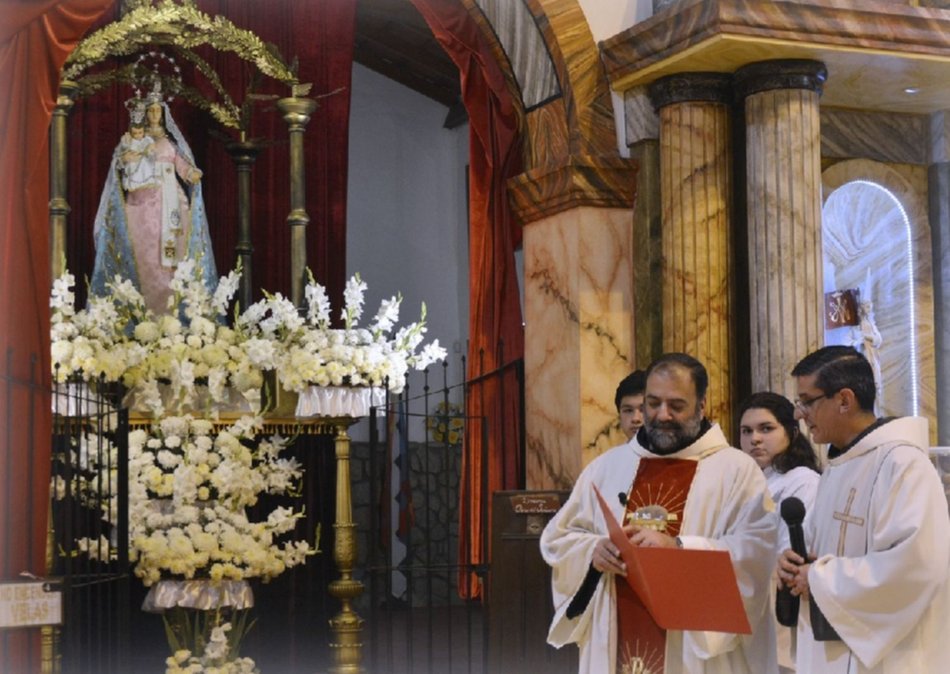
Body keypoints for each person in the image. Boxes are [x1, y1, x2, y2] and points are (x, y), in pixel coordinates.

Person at [541, 353, 777, 674]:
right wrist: (593, 552)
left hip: (694, 651)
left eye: (676, 406)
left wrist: (680, 548)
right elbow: (559, 540)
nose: (661, 415)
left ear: (701, 405)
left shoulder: (735, 470)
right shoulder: (608, 467)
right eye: (652, 403)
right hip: (618, 627)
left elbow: (757, 553)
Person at [778, 345, 950, 673]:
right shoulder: (840, 463)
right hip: (832, 649)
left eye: (807, 401)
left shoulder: (903, 463)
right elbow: (825, 552)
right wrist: (797, 563)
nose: (799, 414)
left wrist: (818, 577)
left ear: (844, 400)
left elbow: (917, 565)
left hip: (891, 657)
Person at [91, 81, 217, 314]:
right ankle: (141, 311)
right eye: (150, 110)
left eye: (158, 110)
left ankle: (173, 312)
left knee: (170, 254)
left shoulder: (171, 142)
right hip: (141, 201)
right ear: (145, 113)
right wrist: (126, 160)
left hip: (171, 201)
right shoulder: (135, 140)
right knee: (143, 251)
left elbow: (181, 164)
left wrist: (191, 173)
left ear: (164, 113)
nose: (154, 114)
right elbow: (120, 166)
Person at [738, 392, 821, 673]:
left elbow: (791, 553)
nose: (755, 439)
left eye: (766, 428)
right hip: (746, 606)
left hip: (780, 610)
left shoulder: (802, 481)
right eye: (746, 431)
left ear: (793, 431)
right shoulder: (749, 481)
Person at [615, 369, 646, 440]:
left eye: (643, 410)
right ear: (619, 416)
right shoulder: (613, 451)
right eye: (628, 410)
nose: (636, 418)